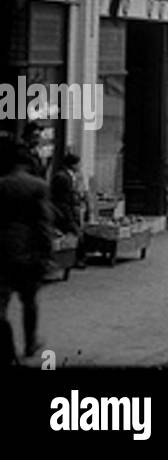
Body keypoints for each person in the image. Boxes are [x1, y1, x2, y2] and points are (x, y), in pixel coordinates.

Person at [0, 136, 53, 364]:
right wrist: (47, 254)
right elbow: (43, 224)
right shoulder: (38, 186)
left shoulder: (2, 185)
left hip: (2, 251)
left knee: (1, 302)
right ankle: (30, 342)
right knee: (29, 301)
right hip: (29, 253)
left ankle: (6, 347)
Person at [48, 152, 87, 269]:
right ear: (73, 164)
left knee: (73, 233)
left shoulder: (70, 176)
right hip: (64, 210)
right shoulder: (62, 177)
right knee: (76, 232)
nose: (80, 166)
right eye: (78, 164)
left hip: (68, 209)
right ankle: (77, 259)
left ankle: (74, 258)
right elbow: (62, 197)